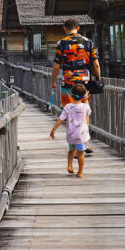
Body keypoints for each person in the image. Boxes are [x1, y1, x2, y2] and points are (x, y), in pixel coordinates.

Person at [50, 17, 101, 154]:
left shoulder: (62, 43)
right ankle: (86, 143)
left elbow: (56, 66)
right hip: (85, 83)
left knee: (71, 113)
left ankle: (75, 145)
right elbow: (96, 64)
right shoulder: (89, 42)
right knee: (84, 112)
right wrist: (98, 78)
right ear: (78, 28)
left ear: (65, 28)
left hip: (68, 83)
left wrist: (53, 82)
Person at [49, 83, 91, 178]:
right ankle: (80, 172)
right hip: (81, 135)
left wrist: (53, 130)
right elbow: (88, 112)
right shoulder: (85, 106)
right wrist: (86, 100)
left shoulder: (68, 106)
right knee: (80, 154)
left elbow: (61, 119)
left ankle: (70, 165)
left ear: (71, 95)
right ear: (84, 96)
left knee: (71, 151)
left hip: (71, 135)